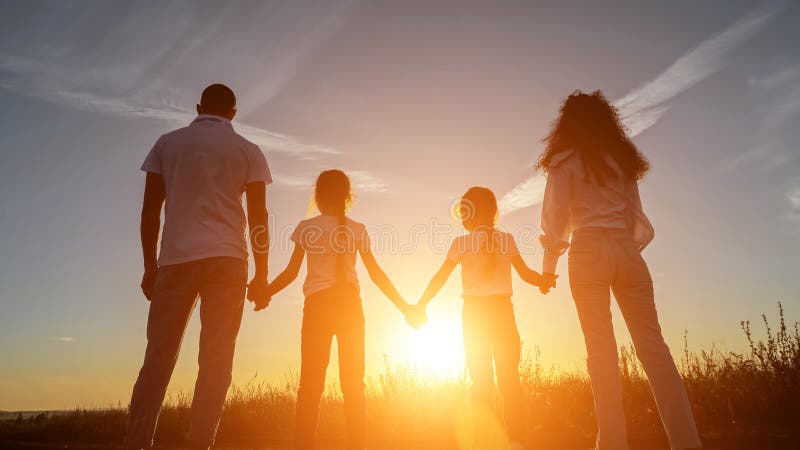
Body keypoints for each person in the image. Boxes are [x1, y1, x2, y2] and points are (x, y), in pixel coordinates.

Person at [537, 90, 702, 450]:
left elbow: (554, 221)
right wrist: (625, 252)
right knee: (654, 350)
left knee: (601, 353)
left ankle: (612, 444)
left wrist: (548, 268)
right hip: (627, 253)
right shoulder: (622, 161)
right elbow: (633, 215)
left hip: (589, 251)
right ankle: (688, 443)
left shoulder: (564, 161)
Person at [127, 84, 272, 450]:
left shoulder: (167, 143)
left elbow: (149, 211)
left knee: (157, 358)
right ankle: (200, 444)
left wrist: (149, 266)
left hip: (175, 260)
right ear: (234, 114)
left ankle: (137, 442)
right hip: (228, 261)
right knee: (216, 361)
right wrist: (263, 272)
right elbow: (258, 216)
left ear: (198, 107)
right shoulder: (249, 151)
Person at [266, 169, 414, 450]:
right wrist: (405, 306)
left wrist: (264, 294)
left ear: (318, 196)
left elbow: (289, 274)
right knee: (353, 385)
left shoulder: (307, 228)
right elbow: (376, 274)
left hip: (318, 307)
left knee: (310, 384)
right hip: (350, 307)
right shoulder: (358, 229)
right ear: (348, 197)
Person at [412, 187, 555, 450]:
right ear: (492, 213)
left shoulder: (462, 244)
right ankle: (516, 441)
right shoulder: (508, 240)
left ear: (468, 213)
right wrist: (543, 281)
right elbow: (525, 274)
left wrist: (421, 304)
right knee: (509, 379)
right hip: (502, 313)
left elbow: (441, 277)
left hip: (475, 316)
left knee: (481, 380)